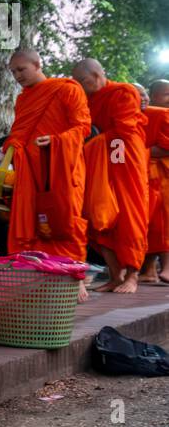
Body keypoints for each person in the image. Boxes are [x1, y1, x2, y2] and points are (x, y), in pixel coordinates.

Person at [72, 58, 148, 293]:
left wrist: (93, 143)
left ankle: (132, 276)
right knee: (97, 215)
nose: (82, 87)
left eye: (84, 81)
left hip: (123, 157)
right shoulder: (87, 99)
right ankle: (115, 275)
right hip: (101, 161)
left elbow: (123, 130)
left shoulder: (123, 91)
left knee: (128, 214)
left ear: (97, 75)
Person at [139, 79, 169, 283]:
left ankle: (166, 268)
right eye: (166, 94)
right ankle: (149, 269)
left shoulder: (161, 115)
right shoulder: (144, 115)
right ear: (154, 94)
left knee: (164, 222)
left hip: (162, 174)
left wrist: (140, 153)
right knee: (149, 223)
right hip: (144, 176)